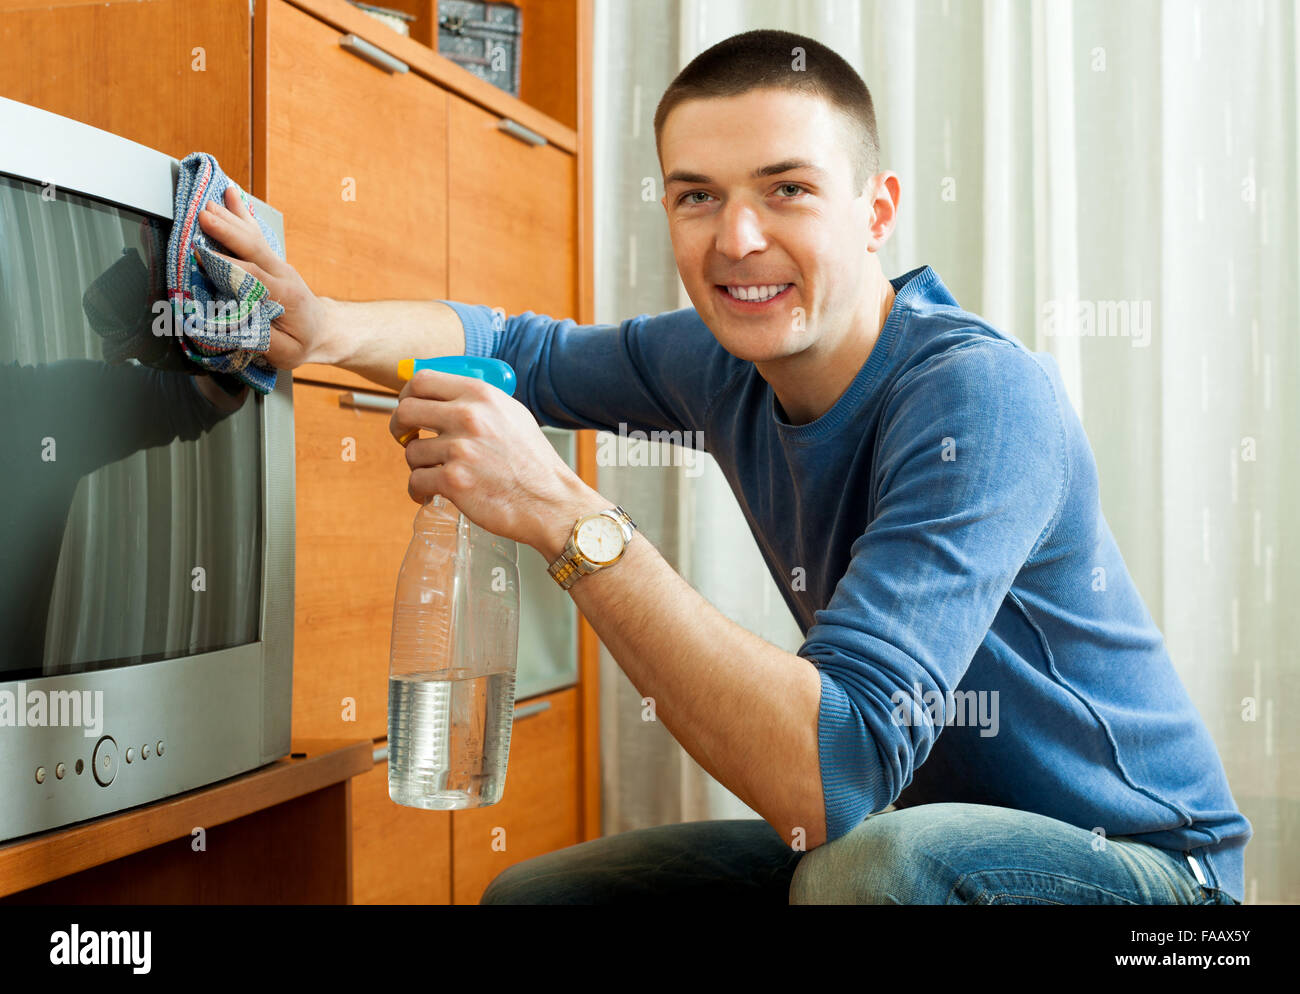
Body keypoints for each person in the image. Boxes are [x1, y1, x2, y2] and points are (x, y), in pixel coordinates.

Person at [194, 28, 1249, 905]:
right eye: (697, 196)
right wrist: (323, 325)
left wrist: (564, 514)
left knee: (867, 869)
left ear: (875, 210)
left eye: (785, 189)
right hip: (910, 833)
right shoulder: (721, 362)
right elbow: (518, 346)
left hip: (1152, 876)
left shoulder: (978, 397)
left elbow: (826, 773)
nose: (736, 238)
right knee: (543, 900)